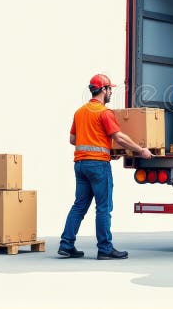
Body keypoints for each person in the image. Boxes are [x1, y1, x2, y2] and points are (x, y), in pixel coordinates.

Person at [58, 74, 153, 260]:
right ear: (103, 90)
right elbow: (119, 137)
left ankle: (66, 245)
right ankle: (105, 249)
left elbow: (73, 139)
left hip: (80, 165)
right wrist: (140, 150)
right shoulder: (104, 113)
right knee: (103, 208)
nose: (111, 93)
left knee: (79, 206)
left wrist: (101, 147)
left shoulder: (80, 112)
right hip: (98, 166)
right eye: (110, 89)